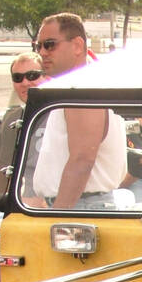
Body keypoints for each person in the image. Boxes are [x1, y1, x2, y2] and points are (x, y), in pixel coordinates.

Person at [29, 13, 127, 210]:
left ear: (77, 45)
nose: (42, 52)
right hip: (79, 204)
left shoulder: (82, 87)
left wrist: (57, 217)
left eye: (49, 44)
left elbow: (82, 160)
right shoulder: (80, 85)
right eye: (37, 46)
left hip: (82, 206)